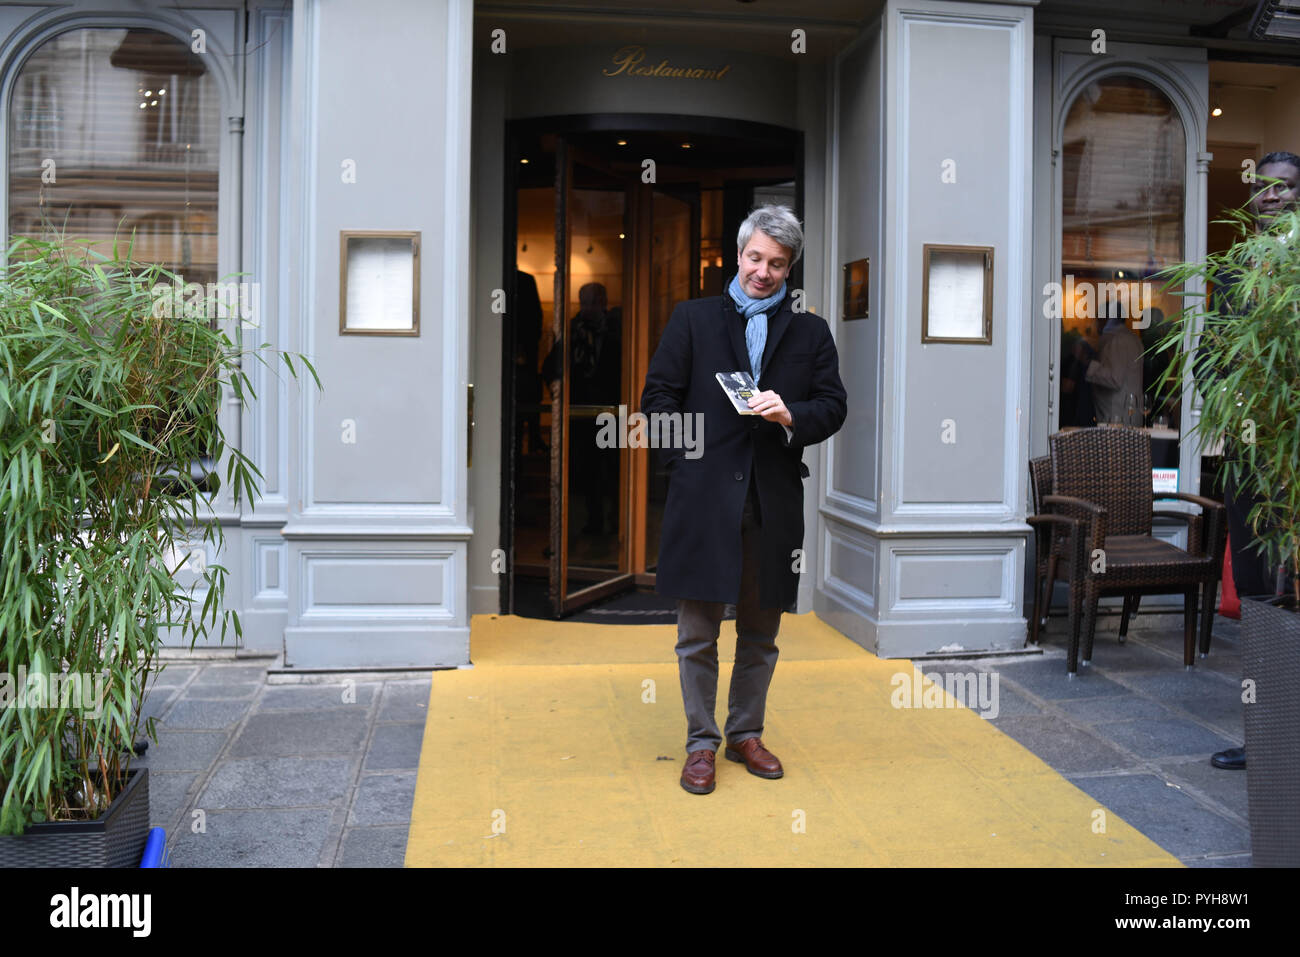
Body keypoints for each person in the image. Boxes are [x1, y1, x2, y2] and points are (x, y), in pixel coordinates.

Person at [640, 205, 847, 795]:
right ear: (738, 255)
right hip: (703, 503)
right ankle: (700, 745)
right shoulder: (693, 319)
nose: (764, 272)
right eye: (755, 258)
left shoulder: (812, 331)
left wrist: (791, 416)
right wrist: (687, 461)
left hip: (772, 504)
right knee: (697, 633)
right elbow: (657, 403)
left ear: (790, 268)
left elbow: (833, 406)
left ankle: (746, 735)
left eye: (777, 264)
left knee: (761, 632)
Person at [1200, 150, 1300, 772]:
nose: (1272, 196)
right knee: (1262, 592)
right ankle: (1267, 734)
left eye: (1285, 188)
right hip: (1249, 451)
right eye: (1264, 187)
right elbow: (1215, 348)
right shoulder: (1236, 267)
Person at [1082, 302, 1143, 426]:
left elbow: (1114, 378)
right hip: (1125, 415)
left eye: (1099, 318)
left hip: (1117, 417)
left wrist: (1087, 364)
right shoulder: (1131, 338)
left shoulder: (1119, 341)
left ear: (1109, 318)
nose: (1096, 322)